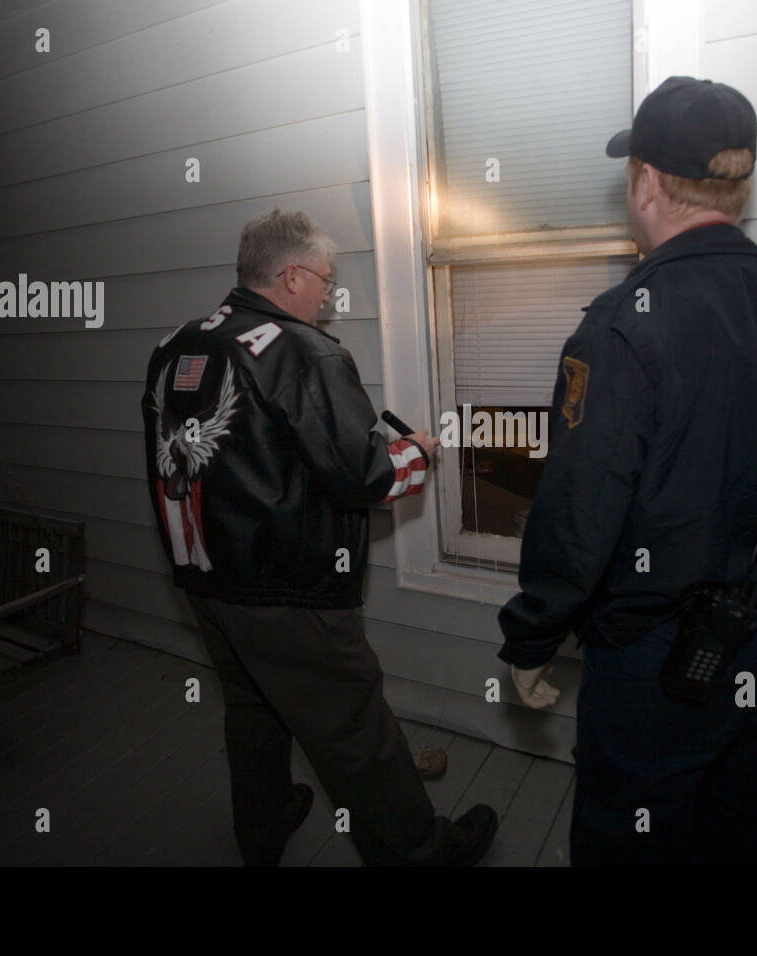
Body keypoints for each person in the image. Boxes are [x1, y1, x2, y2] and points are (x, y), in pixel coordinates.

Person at [497, 77, 757, 865]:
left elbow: (577, 512)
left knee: (631, 839)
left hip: (654, 665)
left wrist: (532, 636)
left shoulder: (623, 329)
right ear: (740, 185)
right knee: (732, 826)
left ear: (648, 181)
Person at [141, 208, 497, 866]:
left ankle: (265, 825)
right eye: (326, 281)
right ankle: (420, 852)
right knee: (353, 729)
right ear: (293, 274)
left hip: (204, 579)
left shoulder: (177, 345)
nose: (330, 295)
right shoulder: (303, 352)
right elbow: (368, 480)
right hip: (288, 593)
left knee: (253, 706)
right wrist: (416, 451)